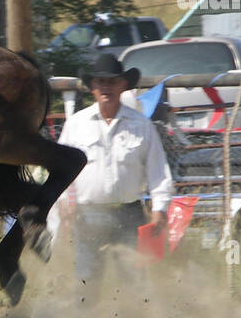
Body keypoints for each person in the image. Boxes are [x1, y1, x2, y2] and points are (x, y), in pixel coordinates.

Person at [57, 52, 174, 299]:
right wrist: (64, 202)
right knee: (87, 279)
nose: (105, 87)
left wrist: (160, 208)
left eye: (111, 81)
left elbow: (158, 170)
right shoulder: (76, 124)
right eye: (100, 82)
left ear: (123, 86)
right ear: (92, 88)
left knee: (133, 279)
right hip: (88, 214)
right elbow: (61, 169)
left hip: (129, 214)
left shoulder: (141, 125)